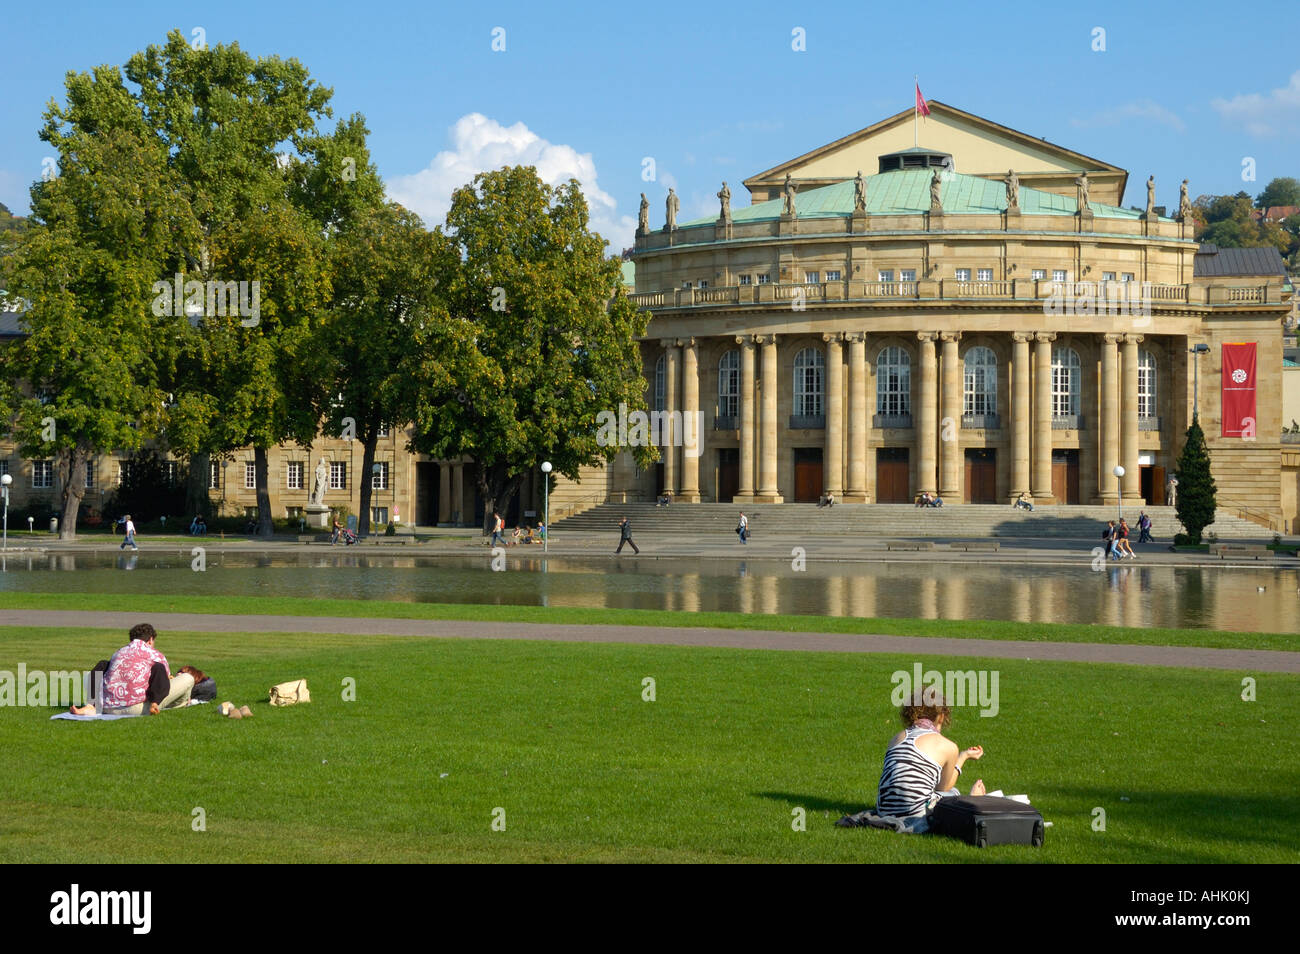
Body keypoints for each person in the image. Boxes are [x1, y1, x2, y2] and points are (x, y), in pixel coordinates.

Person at [875, 691, 986, 821]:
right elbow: (943, 788)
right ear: (941, 717)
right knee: (954, 794)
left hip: (883, 810)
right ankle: (974, 800)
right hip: (917, 811)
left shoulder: (896, 738)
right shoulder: (948, 746)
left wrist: (964, 755)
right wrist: (961, 758)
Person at [82, 623, 195, 716]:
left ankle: (90, 705)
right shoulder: (156, 655)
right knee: (187, 678)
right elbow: (162, 682)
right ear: (150, 640)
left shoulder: (118, 653)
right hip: (136, 709)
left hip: (105, 707)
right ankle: (174, 705)